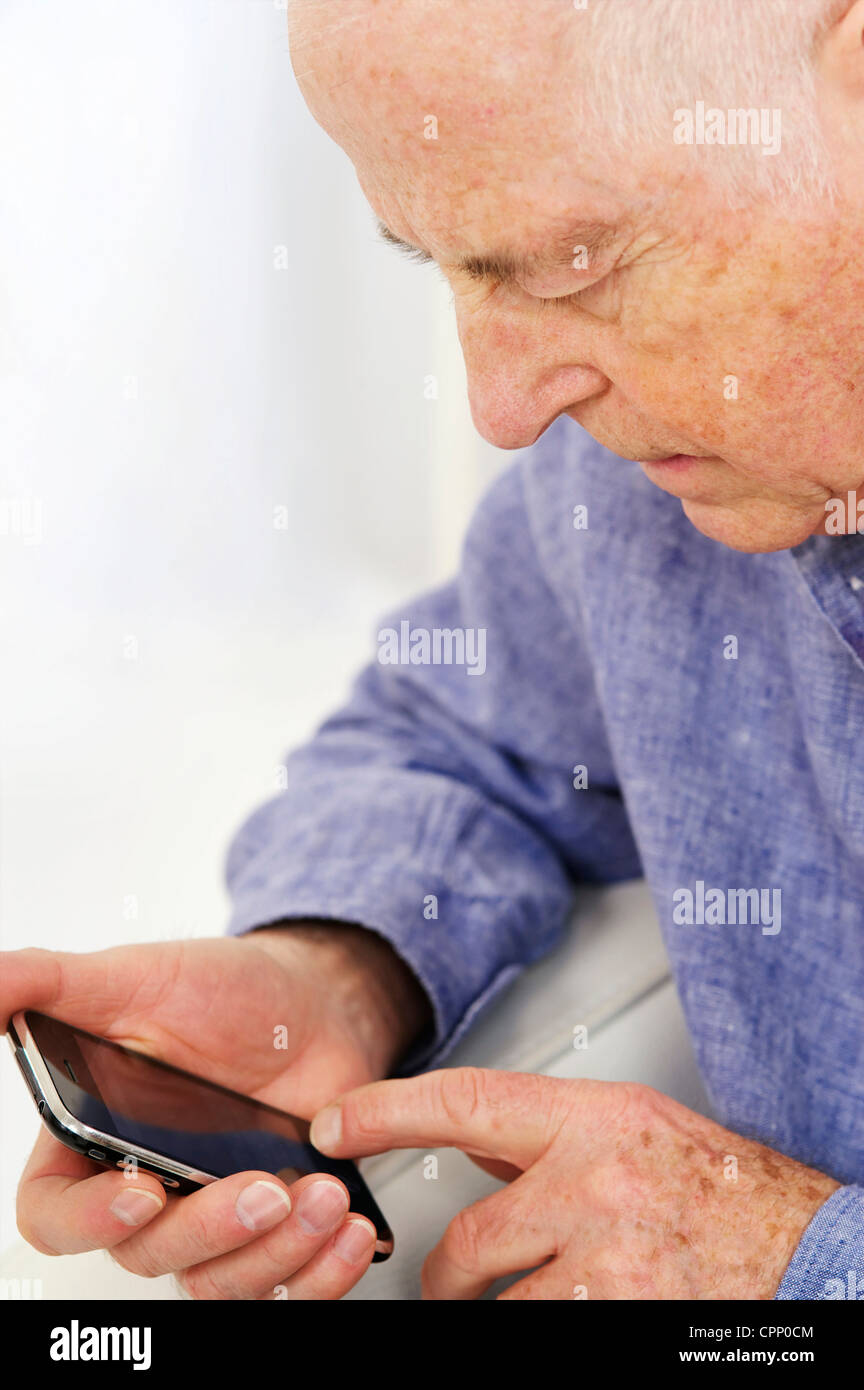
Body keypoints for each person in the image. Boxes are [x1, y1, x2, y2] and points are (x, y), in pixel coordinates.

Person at [4, 0, 864, 1300]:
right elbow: (459, 737)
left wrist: (794, 1261)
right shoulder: (639, 485)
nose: (502, 411)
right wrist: (334, 975)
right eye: (442, 265)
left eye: (573, 264)